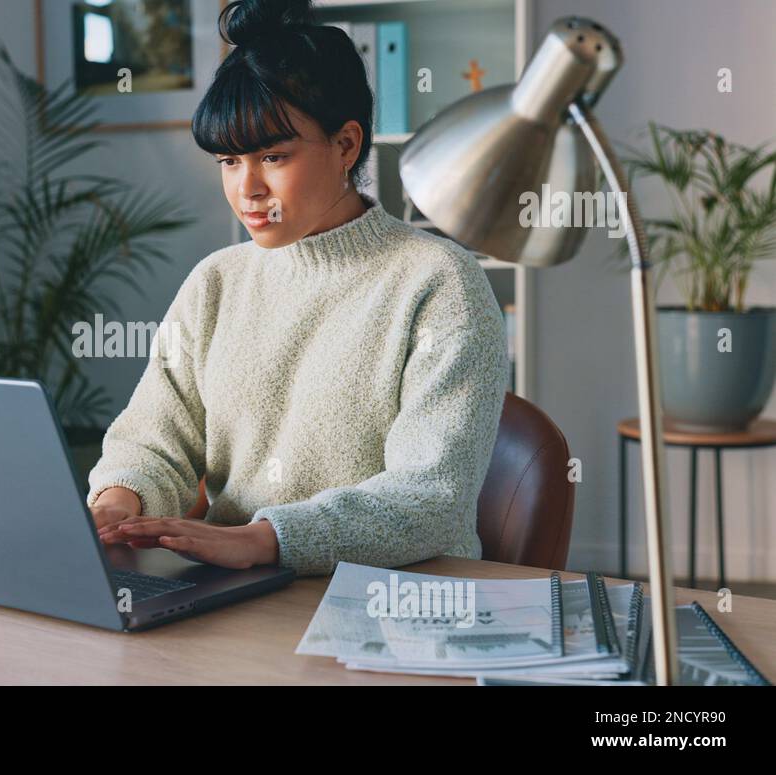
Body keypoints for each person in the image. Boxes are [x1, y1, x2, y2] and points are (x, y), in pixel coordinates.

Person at [88, 0, 509, 576]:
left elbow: (429, 499)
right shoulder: (217, 280)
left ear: (346, 145)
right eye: (230, 160)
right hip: (239, 586)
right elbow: (154, 440)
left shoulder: (439, 282)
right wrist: (117, 505)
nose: (247, 189)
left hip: (399, 593)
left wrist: (267, 539)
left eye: (273, 156)